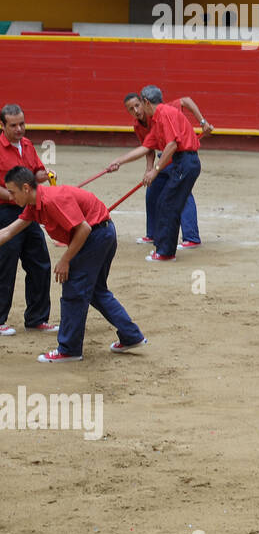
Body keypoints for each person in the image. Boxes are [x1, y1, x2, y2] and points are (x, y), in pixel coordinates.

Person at [0, 168, 146, 364]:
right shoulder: (35, 205)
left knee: (74, 289)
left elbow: (83, 229)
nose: (10, 196)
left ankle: (69, 349)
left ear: (25, 188)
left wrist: (65, 260)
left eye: (12, 192)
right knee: (96, 291)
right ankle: (131, 336)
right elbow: (9, 232)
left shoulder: (52, 199)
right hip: (103, 233)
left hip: (95, 235)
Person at [105, 91, 203, 262]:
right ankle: (162, 245)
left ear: (146, 102)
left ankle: (169, 250)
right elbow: (146, 148)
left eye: (138, 105)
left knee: (170, 203)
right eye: (131, 109)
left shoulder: (164, 113)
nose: (136, 110)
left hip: (183, 161)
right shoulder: (158, 118)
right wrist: (119, 161)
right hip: (181, 161)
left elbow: (172, 145)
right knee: (164, 201)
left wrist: (155, 170)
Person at [0, 105, 55, 337]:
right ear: (2, 126)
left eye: (22, 123)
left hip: (28, 212)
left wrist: (45, 175)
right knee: (4, 265)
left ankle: (36, 318)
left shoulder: (28, 145)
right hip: (4, 212)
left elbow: (36, 173)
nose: (19, 129)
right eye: (13, 125)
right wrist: (14, 196)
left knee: (40, 262)